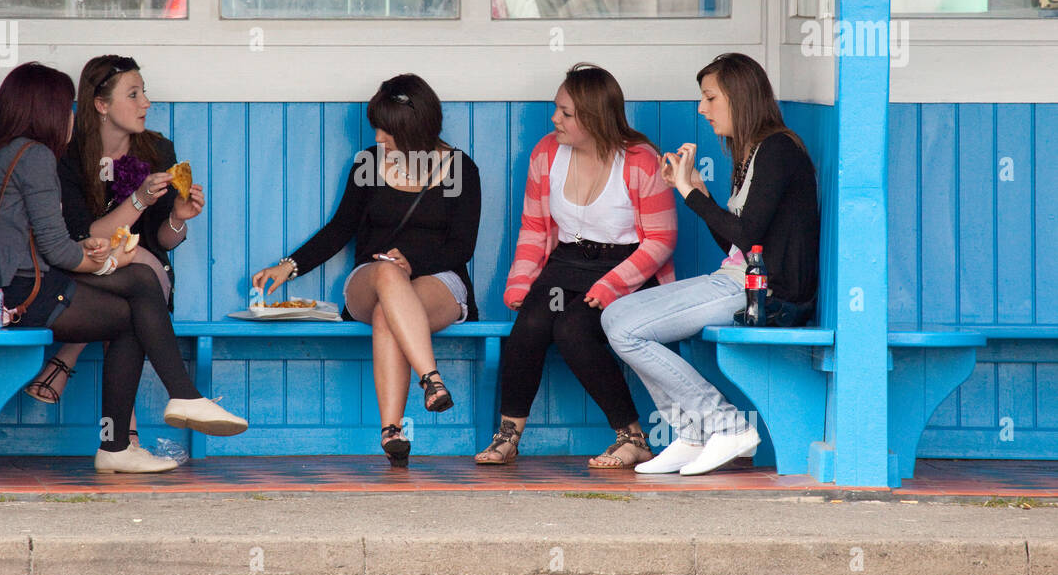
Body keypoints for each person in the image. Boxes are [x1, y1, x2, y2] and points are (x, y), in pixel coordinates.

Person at [0, 62, 246, 475]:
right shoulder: (35, 156)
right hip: (11, 296)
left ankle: (131, 435)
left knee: (136, 301)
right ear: (46, 111)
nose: (71, 115)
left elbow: (56, 244)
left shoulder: (3, 153)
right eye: (64, 107)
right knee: (137, 291)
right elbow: (60, 252)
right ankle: (153, 417)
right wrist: (110, 259)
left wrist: (109, 248)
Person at [600, 53, 820, 476]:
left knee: (627, 331)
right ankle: (691, 433)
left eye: (710, 97)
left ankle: (726, 425)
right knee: (615, 315)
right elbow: (738, 242)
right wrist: (699, 190)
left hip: (766, 293)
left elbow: (748, 238)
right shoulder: (750, 152)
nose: (701, 108)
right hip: (737, 279)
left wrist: (690, 194)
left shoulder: (778, 150)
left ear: (740, 97)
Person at [251, 74, 482, 466]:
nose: (378, 138)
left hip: (438, 280)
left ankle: (391, 430)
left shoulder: (461, 169)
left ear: (414, 127)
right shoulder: (368, 163)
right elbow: (340, 228)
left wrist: (415, 263)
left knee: (387, 312)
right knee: (389, 274)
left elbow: (462, 247)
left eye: (387, 130)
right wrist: (289, 266)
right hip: (371, 279)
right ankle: (432, 379)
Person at [475, 63, 677, 469]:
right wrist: (520, 282)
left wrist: (610, 287)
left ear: (595, 117)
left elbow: (660, 240)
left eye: (566, 113)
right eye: (557, 109)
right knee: (531, 324)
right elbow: (535, 226)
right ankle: (508, 436)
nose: (555, 119)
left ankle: (632, 436)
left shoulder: (640, 160)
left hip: (626, 269)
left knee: (572, 328)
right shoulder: (547, 152)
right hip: (567, 264)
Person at [20, 55, 205, 456]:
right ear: (101, 105)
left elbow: (163, 241)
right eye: (133, 94)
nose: (146, 104)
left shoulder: (158, 150)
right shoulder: (68, 157)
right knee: (132, 287)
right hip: (81, 269)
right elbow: (78, 240)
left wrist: (178, 216)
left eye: (145, 93)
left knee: (139, 280)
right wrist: (138, 199)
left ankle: (74, 375)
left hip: (143, 269)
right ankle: (124, 440)